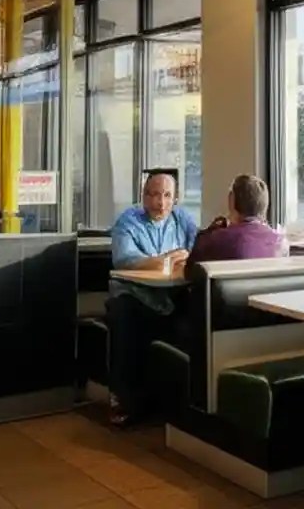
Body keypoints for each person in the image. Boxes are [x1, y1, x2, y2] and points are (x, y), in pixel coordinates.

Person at [106, 171, 198, 426]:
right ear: (144, 196)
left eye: (167, 196)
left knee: (196, 313)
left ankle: (179, 404)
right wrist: (166, 259)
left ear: (175, 199)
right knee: (125, 316)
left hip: (169, 294)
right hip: (134, 293)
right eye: (155, 195)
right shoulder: (128, 221)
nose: (161, 202)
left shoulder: (182, 218)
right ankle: (124, 402)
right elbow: (125, 259)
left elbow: (197, 250)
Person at [190, 175, 288, 264]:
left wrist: (210, 231)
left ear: (231, 199)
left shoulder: (219, 239)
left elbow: (192, 263)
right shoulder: (281, 243)